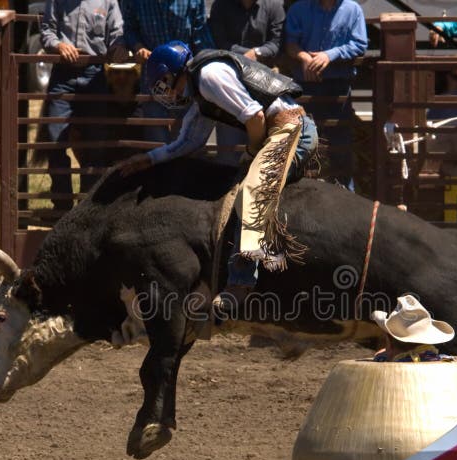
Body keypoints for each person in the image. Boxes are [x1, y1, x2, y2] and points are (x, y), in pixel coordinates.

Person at [115, 41, 318, 309]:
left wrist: (251, 152)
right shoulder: (202, 95)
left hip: (290, 131)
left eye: (165, 81)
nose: (166, 90)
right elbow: (187, 143)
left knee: (253, 190)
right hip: (280, 132)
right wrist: (149, 159)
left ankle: (241, 282)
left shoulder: (209, 77)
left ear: (175, 71)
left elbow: (255, 117)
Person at [40, 0, 127, 211]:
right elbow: (47, 32)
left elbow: (116, 33)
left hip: (95, 75)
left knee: (94, 145)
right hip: (63, 74)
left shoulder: (108, 2)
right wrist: (59, 45)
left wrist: (118, 48)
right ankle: (61, 204)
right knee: (54, 140)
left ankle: (85, 207)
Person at [285, 0, 368, 190]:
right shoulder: (299, 9)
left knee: (340, 145)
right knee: (302, 144)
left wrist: (330, 55)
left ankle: (345, 194)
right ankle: (299, 193)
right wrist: (304, 57)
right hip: (305, 87)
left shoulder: (352, 10)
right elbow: (290, 44)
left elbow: (359, 44)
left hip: (337, 87)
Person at [121, 0, 215, 143]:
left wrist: (196, 74)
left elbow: (202, 39)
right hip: (153, 82)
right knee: (156, 141)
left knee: (187, 141)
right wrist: (138, 46)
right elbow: (129, 28)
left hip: (186, 83)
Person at [209, 0, 286, 163]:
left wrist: (256, 52)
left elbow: (276, 43)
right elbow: (219, 42)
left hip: (264, 83)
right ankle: (227, 184)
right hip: (230, 82)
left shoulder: (273, 6)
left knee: (265, 152)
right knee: (229, 150)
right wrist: (248, 55)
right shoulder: (221, 6)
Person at [371, 295, 456, 363]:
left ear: (389, 342)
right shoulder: (441, 359)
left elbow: (380, 357)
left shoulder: (391, 361)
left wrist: (380, 355)